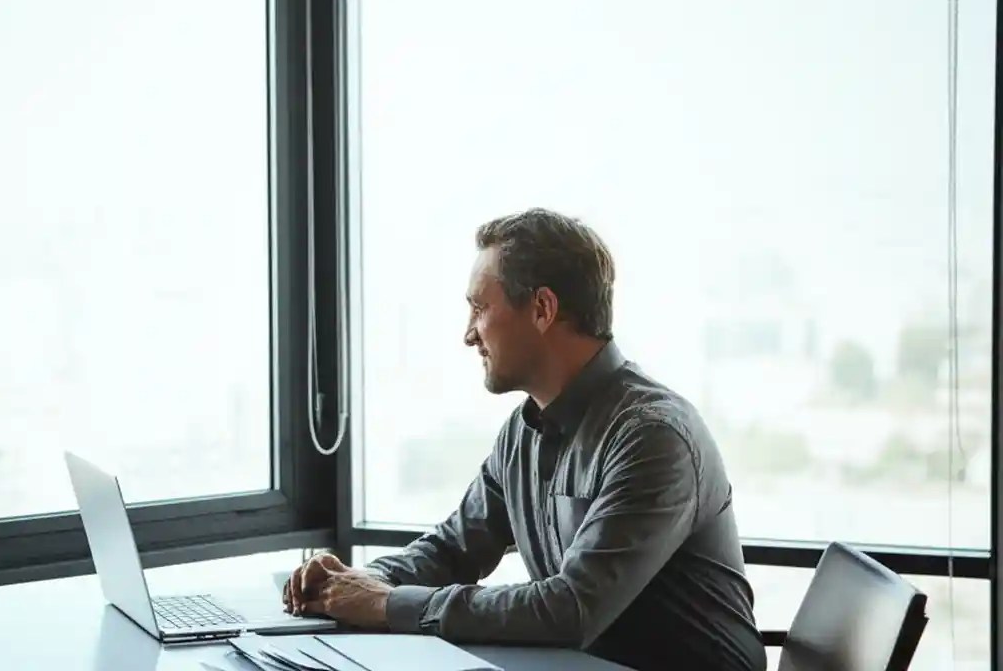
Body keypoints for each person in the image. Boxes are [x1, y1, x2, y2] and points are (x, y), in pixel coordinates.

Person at [281, 208, 765, 671]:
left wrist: (388, 604)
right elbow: (454, 549)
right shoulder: (524, 430)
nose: (469, 334)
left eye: (479, 307)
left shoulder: (654, 437)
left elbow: (571, 608)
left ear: (542, 308)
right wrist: (357, 582)